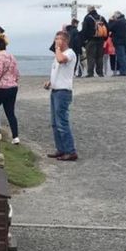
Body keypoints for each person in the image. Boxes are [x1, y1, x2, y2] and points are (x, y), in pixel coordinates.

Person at [44, 31, 78, 161]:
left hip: (63, 92)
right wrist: (50, 82)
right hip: (55, 90)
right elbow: (57, 71)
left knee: (62, 122)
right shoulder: (58, 55)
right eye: (56, 38)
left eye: (59, 39)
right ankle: (61, 149)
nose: (56, 41)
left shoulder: (69, 53)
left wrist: (58, 49)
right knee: (54, 123)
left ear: (65, 41)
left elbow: (61, 60)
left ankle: (70, 151)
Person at [0, 38, 20, 144]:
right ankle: (15, 137)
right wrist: (14, 81)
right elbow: (17, 73)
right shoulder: (12, 57)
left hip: (1, 88)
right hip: (13, 87)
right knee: (10, 112)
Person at [80, 6, 107, 77]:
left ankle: (90, 73)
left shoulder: (88, 18)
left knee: (91, 57)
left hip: (91, 40)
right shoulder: (101, 18)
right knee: (100, 57)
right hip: (101, 40)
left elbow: (84, 30)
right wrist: (104, 39)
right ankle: (100, 73)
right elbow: (107, 28)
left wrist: (84, 41)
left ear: (88, 10)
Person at [109, 11, 126, 76]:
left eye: (114, 16)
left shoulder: (118, 22)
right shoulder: (125, 21)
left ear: (117, 16)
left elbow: (110, 27)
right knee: (124, 57)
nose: (114, 17)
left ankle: (123, 72)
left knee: (121, 57)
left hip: (119, 42)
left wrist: (110, 20)